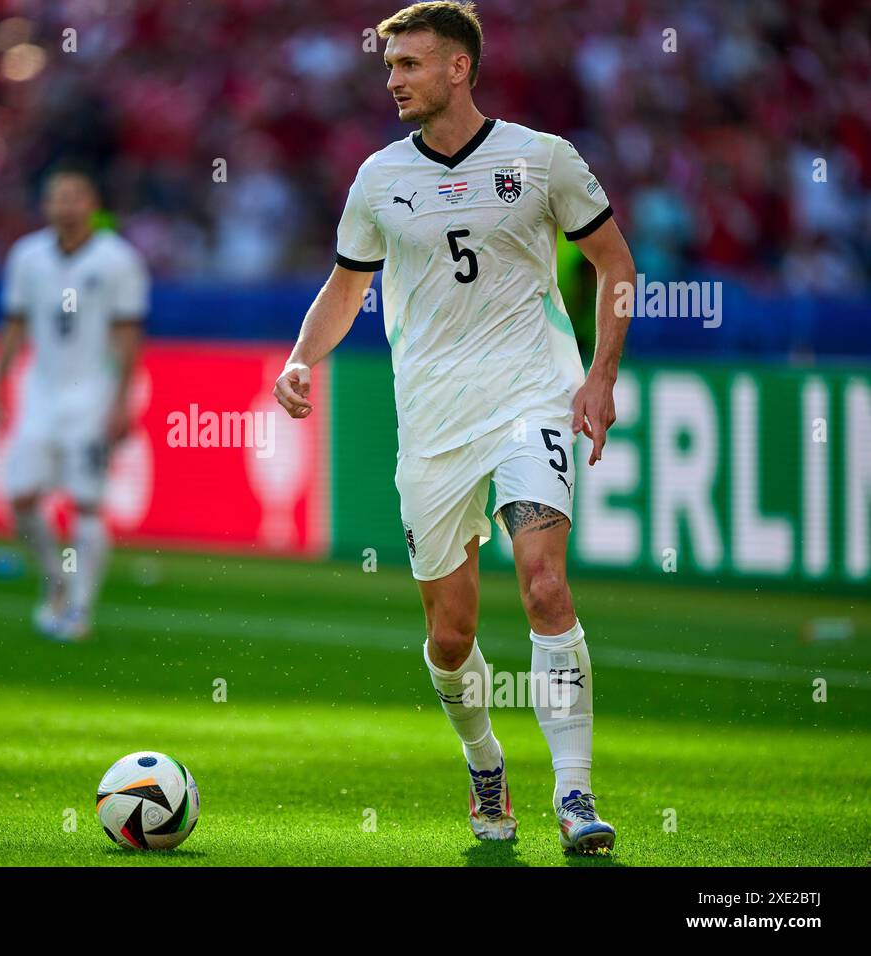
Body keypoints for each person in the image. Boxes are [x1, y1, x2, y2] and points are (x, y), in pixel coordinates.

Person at [272, 1, 636, 855]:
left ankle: (576, 794)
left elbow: (614, 261)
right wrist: (299, 359)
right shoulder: (376, 179)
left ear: (458, 68)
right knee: (452, 635)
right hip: (432, 423)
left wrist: (600, 374)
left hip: (530, 400)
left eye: (408, 64)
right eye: (389, 65)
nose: (392, 79)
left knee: (545, 585)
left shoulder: (543, 160)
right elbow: (345, 286)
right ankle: (485, 763)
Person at [0, 165, 149, 642]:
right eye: (58, 197)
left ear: (92, 203)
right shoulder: (27, 256)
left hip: (92, 398)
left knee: (87, 503)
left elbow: (127, 337)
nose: (66, 206)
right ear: (46, 205)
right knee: (20, 497)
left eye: (75, 196)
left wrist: (121, 402)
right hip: (39, 394)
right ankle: (55, 580)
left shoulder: (118, 260)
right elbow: (14, 323)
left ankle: (79, 608)